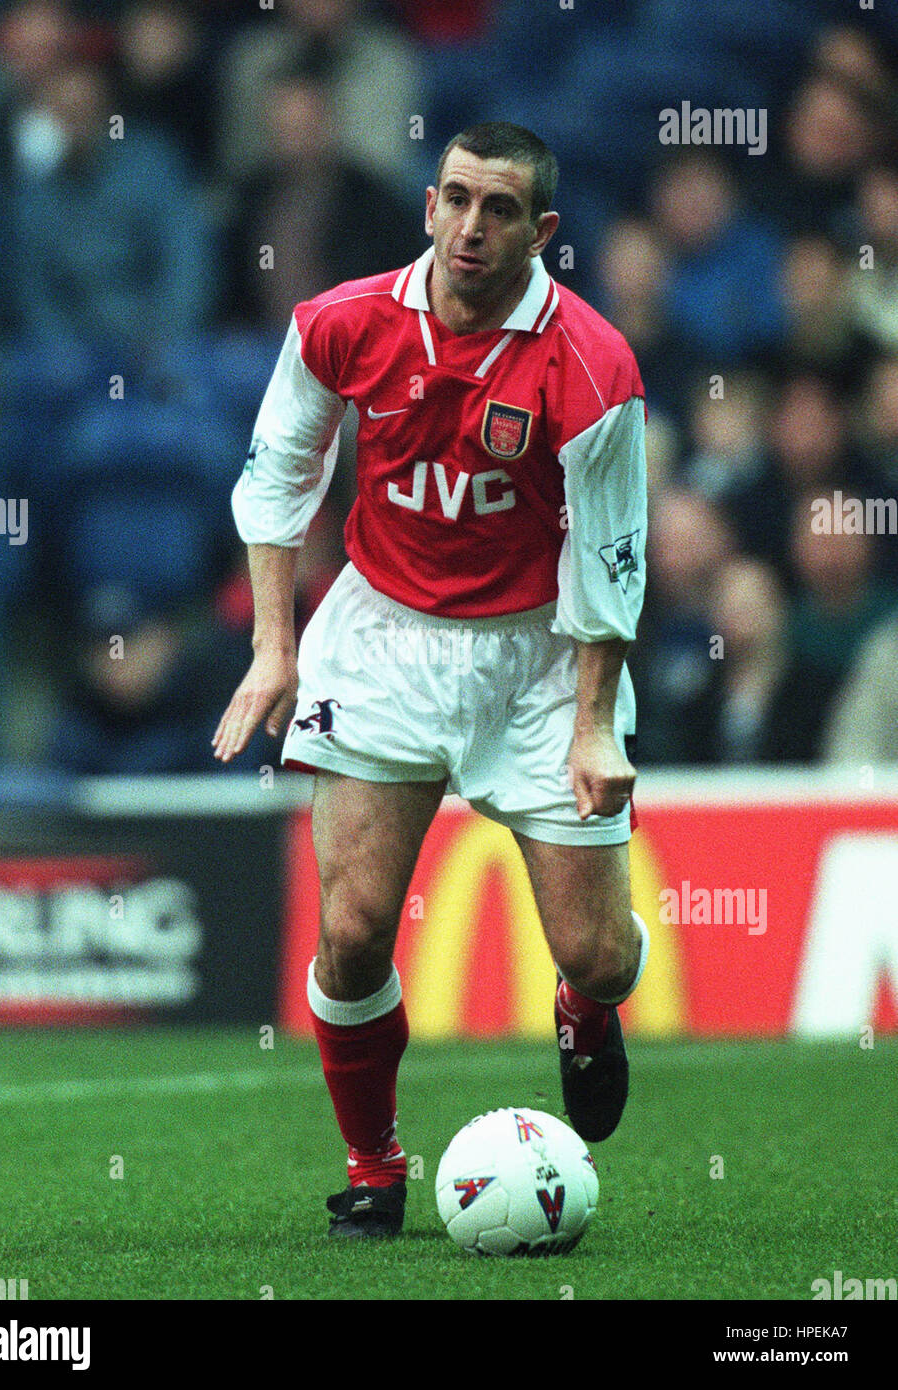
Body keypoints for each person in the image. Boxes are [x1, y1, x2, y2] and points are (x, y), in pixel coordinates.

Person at [213, 123, 650, 1239]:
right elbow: (276, 482)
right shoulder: (340, 323)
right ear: (426, 205)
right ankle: (374, 1164)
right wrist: (275, 646)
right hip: (384, 638)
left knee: (599, 953)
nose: (470, 226)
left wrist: (594, 724)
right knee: (352, 933)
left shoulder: (590, 364)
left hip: (541, 654)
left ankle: (582, 1014)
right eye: (455, 199)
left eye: (498, 208)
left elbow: (609, 558)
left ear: (541, 232)